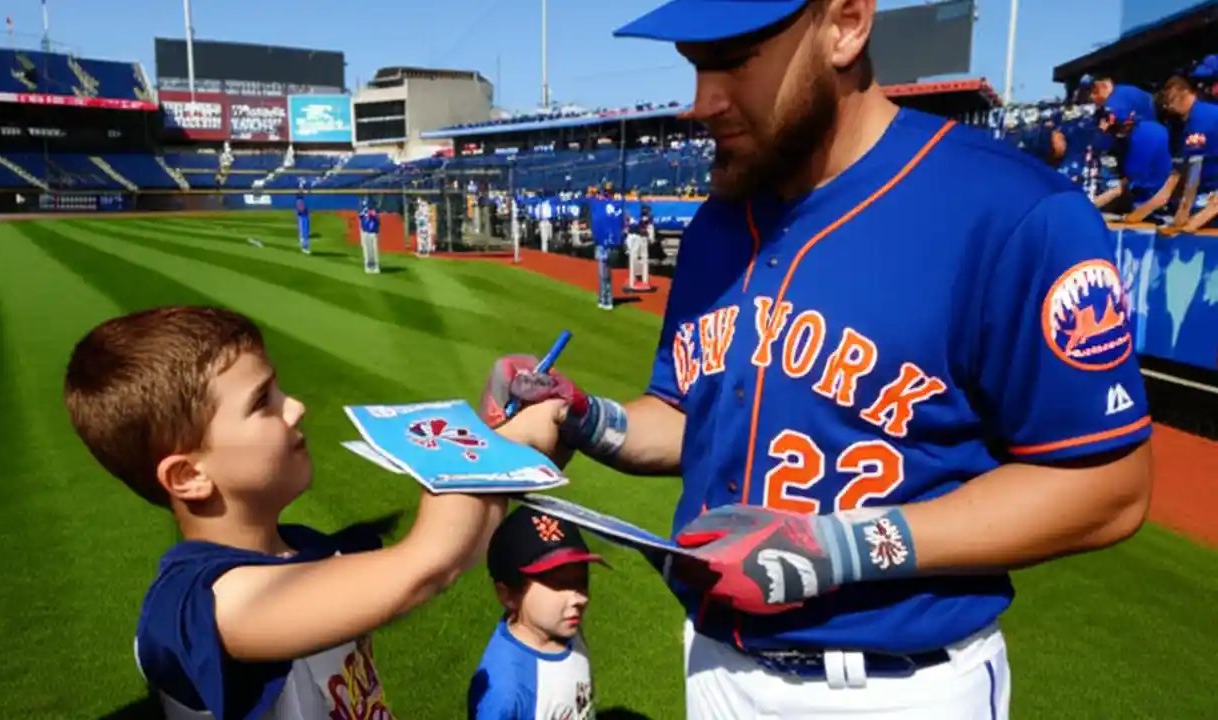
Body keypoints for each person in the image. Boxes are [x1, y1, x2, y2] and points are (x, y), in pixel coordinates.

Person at [481, 1, 1154, 717]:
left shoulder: (1010, 210)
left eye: (734, 59)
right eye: (694, 64)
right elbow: (691, 419)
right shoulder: (719, 222)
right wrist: (581, 414)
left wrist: (837, 548)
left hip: (899, 689)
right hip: (716, 669)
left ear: (845, 25)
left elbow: (1109, 488)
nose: (701, 101)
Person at [63, 305, 562, 719]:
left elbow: (460, 549)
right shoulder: (199, 607)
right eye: (262, 402)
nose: (295, 406)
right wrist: (498, 448)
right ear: (187, 476)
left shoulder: (302, 548)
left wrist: (500, 435)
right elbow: (429, 563)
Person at [467, 506, 605, 718]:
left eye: (581, 582)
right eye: (560, 584)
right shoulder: (505, 690)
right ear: (508, 595)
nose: (580, 598)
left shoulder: (566, 627)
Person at [1090, 99, 1176, 222]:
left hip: (1156, 209)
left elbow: (1122, 188)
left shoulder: (1143, 138)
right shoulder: (1148, 128)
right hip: (1153, 201)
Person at [1156, 75, 1218, 231]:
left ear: (1180, 92)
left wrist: (1186, 213)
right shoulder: (1180, 124)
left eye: (1168, 99)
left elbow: (1194, 171)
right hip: (1204, 198)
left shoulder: (1204, 119)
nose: (1166, 106)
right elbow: (1181, 172)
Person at [359, 198, 382, 274]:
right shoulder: (363, 212)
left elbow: (378, 221)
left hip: (373, 232)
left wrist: (373, 214)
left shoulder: (375, 213)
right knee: (367, 250)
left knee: (374, 250)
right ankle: (368, 266)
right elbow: (360, 216)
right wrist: (366, 213)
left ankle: (375, 266)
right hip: (366, 232)